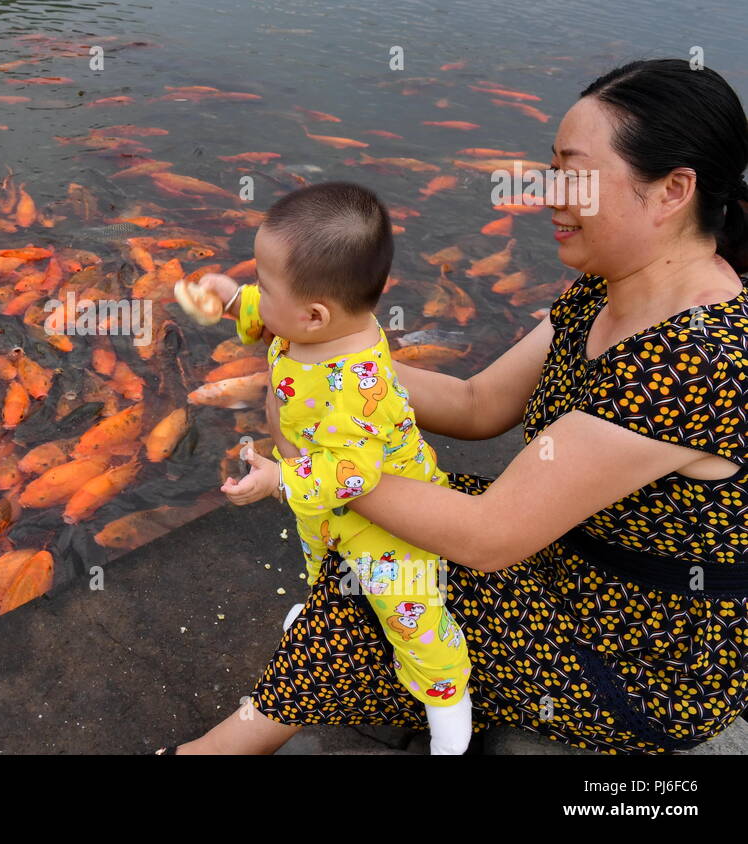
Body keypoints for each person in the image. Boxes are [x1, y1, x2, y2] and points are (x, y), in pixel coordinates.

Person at [170, 58, 748, 755]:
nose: (547, 193)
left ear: (672, 191)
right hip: (565, 561)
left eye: (573, 174)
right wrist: (332, 363)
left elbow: (487, 537)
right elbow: (478, 404)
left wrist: (314, 464)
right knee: (387, 550)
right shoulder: (607, 290)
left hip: (638, 655)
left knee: (381, 575)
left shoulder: (698, 360)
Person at [170, 182, 474, 754]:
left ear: (314, 314)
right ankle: (325, 612)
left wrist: (279, 478)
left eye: (263, 285)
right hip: (323, 497)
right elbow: (277, 314)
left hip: (385, 520)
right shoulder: (325, 323)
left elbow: (356, 473)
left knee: (410, 611)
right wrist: (236, 300)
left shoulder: (356, 382)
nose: (258, 293)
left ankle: (447, 702)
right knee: (323, 562)